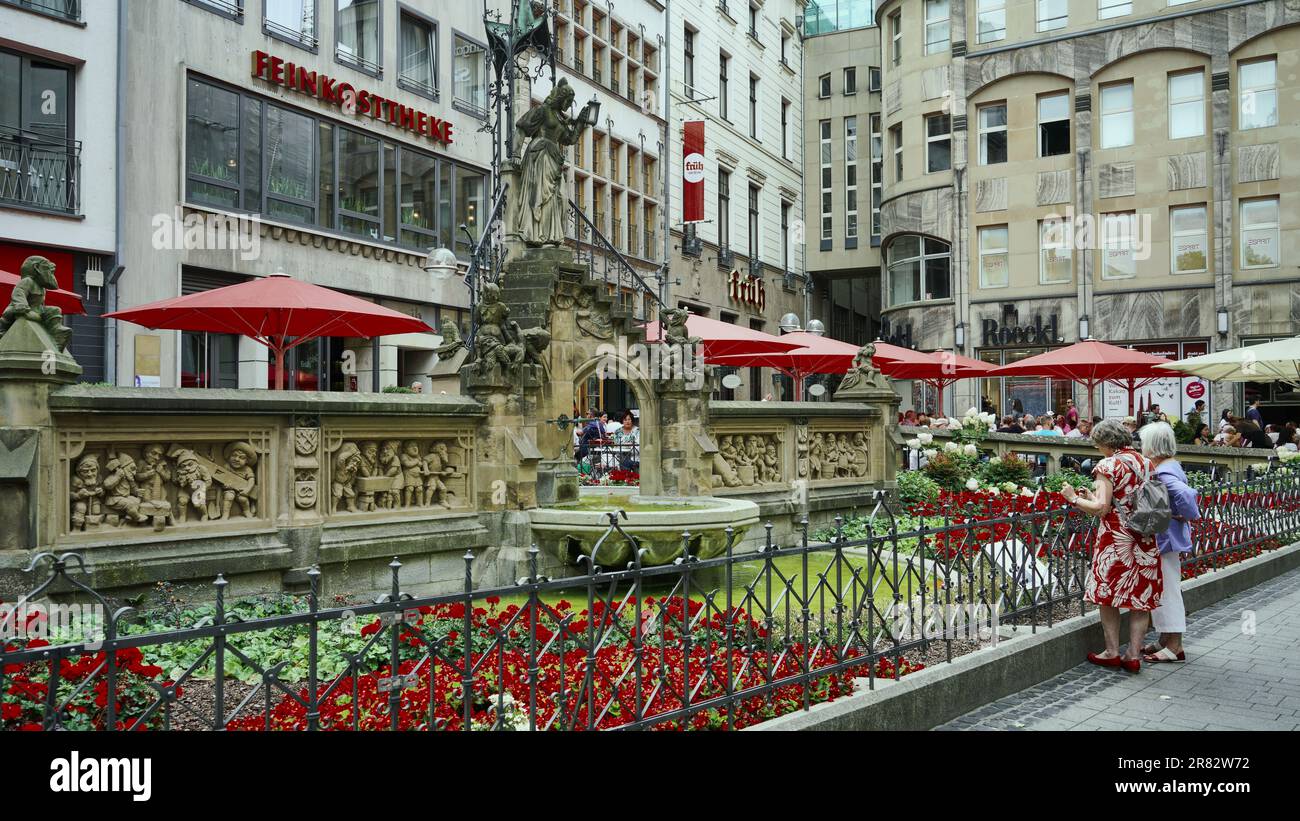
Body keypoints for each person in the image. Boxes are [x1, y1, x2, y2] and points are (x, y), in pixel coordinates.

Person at [1060, 418, 1162, 672]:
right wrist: (1094, 497)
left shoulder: (1108, 464)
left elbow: (1102, 509)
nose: (1097, 449)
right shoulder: (1145, 462)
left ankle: (1112, 651)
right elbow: (1126, 501)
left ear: (1106, 442)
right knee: (1140, 597)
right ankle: (1133, 654)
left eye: (1097, 444)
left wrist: (1073, 499)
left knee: (1108, 596)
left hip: (1117, 540)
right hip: (1145, 538)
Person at [1138, 422, 1199, 665]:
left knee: (1166, 590)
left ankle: (1174, 645)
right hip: (1170, 535)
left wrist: (1184, 513)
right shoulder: (1171, 465)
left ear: (1152, 446)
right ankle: (1166, 639)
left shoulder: (1163, 471)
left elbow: (1185, 495)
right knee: (1165, 587)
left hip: (1165, 537)